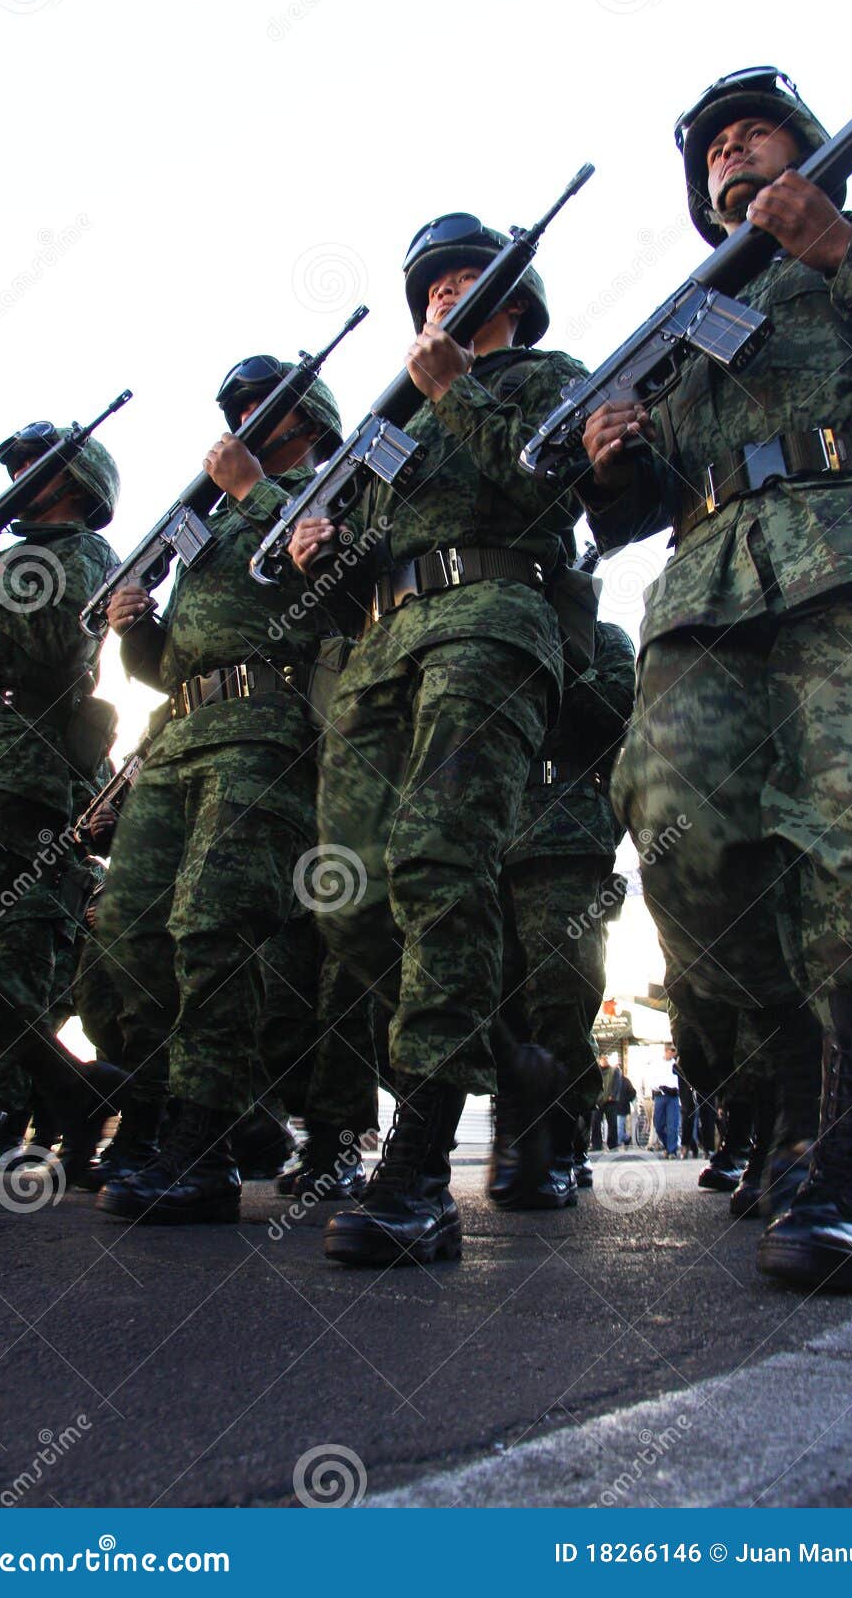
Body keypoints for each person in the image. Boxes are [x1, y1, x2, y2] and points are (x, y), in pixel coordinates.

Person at [579, 66, 852, 1290]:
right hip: (708, 591)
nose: (730, 151)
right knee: (683, 833)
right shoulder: (686, 317)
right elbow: (641, 497)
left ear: (810, 146)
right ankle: (782, 1091)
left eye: (753, 129)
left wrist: (837, 251)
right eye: (712, 146)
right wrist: (615, 467)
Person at [288, 215, 587, 1265]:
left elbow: (553, 490)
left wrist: (457, 389)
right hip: (380, 654)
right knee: (353, 892)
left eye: (467, 281)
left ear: (513, 299)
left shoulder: (547, 377)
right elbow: (324, 599)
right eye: (432, 287)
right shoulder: (389, 430)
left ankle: (416, 1167)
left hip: (490, 620)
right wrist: (314, 551)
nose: (444, 298)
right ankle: (516, 1067)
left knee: (440, 865)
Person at [95, 360, 351, 1223]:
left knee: (216, 926)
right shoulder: (207, 526)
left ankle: (199, 1146)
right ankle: (182, 1108)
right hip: (177, 738)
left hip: (266, 732)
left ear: (307, 419)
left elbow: (329, 590)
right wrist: (140, 630)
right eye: (237, 408)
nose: (244, 418)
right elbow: (170, 667)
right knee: (132, 930)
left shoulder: (335, 487)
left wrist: (248, 493)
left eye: (263, 407)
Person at [0, 422, 122, 1175]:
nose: (18, 472)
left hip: (12, 776)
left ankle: (13, 1105)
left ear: (77, 483)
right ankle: (70, 1091)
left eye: (36, 464)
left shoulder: (79, 555)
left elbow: (61, 647)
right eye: (14, 461)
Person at [494, 616, 636, 1206]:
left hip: (566, 830)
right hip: (492, 824)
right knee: (496, 992)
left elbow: (609, 710)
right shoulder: (494, 622)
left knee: (561, 991)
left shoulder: (600, 639)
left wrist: (546, 660)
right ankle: (524, 1125)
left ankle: (560, 1137)